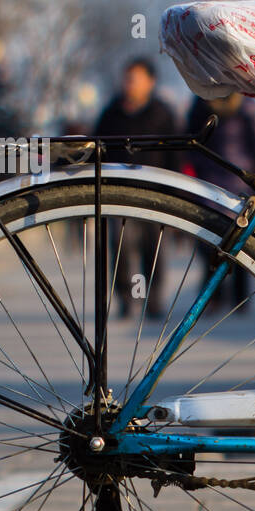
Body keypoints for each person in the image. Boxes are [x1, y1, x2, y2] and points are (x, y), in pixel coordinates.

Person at [93, 58, 178, 318]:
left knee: (154, 249)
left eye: (135, 78)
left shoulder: (162, 113)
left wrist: (175, 195)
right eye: (127, 77)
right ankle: (125, 299)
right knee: (119, 248)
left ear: (150, 82)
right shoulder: (111, 113)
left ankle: (153, 299)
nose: (129, 83)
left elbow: (175, 156)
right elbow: (95, 149)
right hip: (117, 194)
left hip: (154, 193)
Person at [184, 93, 255, 312]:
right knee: (210, 242)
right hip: (209, 183)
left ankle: (238, 298)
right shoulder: (200, 105)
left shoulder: (246, 108)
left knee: (240, 241)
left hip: (241, 182)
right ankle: (215, 296)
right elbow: (191, 143)